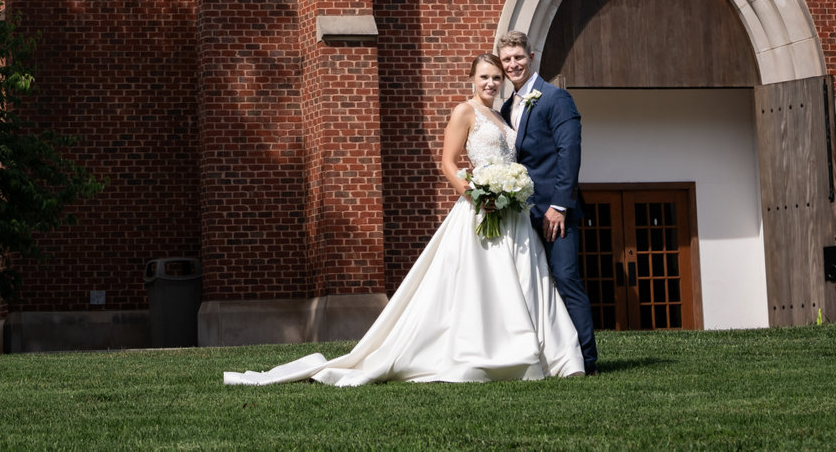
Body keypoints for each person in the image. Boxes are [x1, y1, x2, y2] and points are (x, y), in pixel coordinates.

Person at [223, 53, 583, 386]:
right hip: (482, 209)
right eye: (484, 77)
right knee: (483, 283)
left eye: (496, 77)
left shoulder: (503, 115)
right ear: (471, 80)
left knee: (525, 280)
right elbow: (448, 161)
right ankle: (486, 351)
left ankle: (542, 352)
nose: (491, 83)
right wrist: (476, 195)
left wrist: (512, 190)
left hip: (512, 215)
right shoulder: (465, 111)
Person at [498, 30, 598, 375]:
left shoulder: (556, 98)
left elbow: (569, 153)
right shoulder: (507, 107)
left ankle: (587, 360)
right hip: (522, 214)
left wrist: (559, 205)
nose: (513, 64)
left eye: (518, 57)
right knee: (531, 285)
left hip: (557, 212)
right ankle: (548, 357)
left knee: (566, 278)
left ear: (531, 56)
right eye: (507, 59)